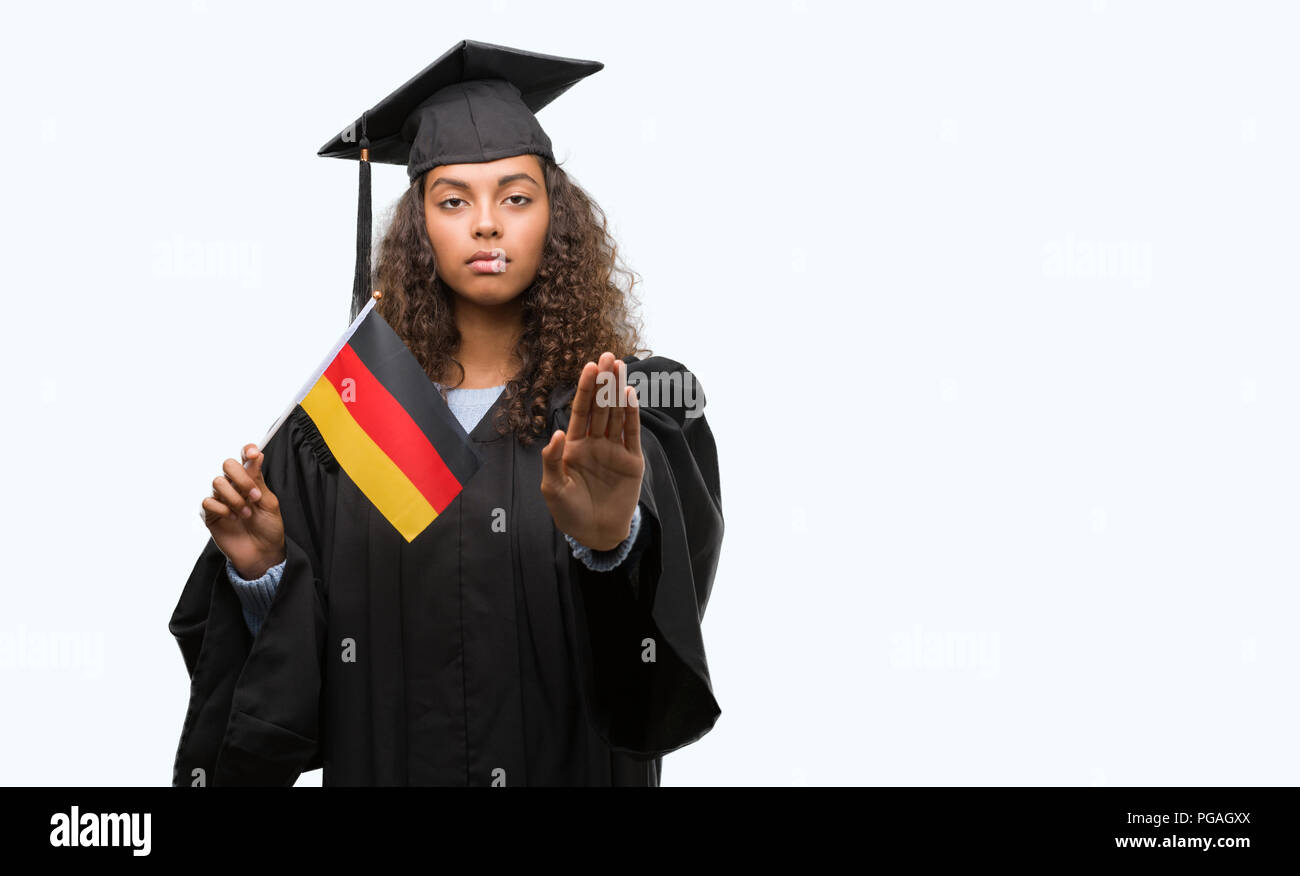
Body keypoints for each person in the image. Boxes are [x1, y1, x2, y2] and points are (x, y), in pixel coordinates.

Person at [169, 40, 724, 787]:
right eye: (454, 200)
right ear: (419, 229)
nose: (487, 224)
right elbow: (290, 713)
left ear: (556, 221)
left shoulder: (618, 413)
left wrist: (612, 548)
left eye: (516, 196)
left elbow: (652, 687)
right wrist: (266, 573)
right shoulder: (347, 428)